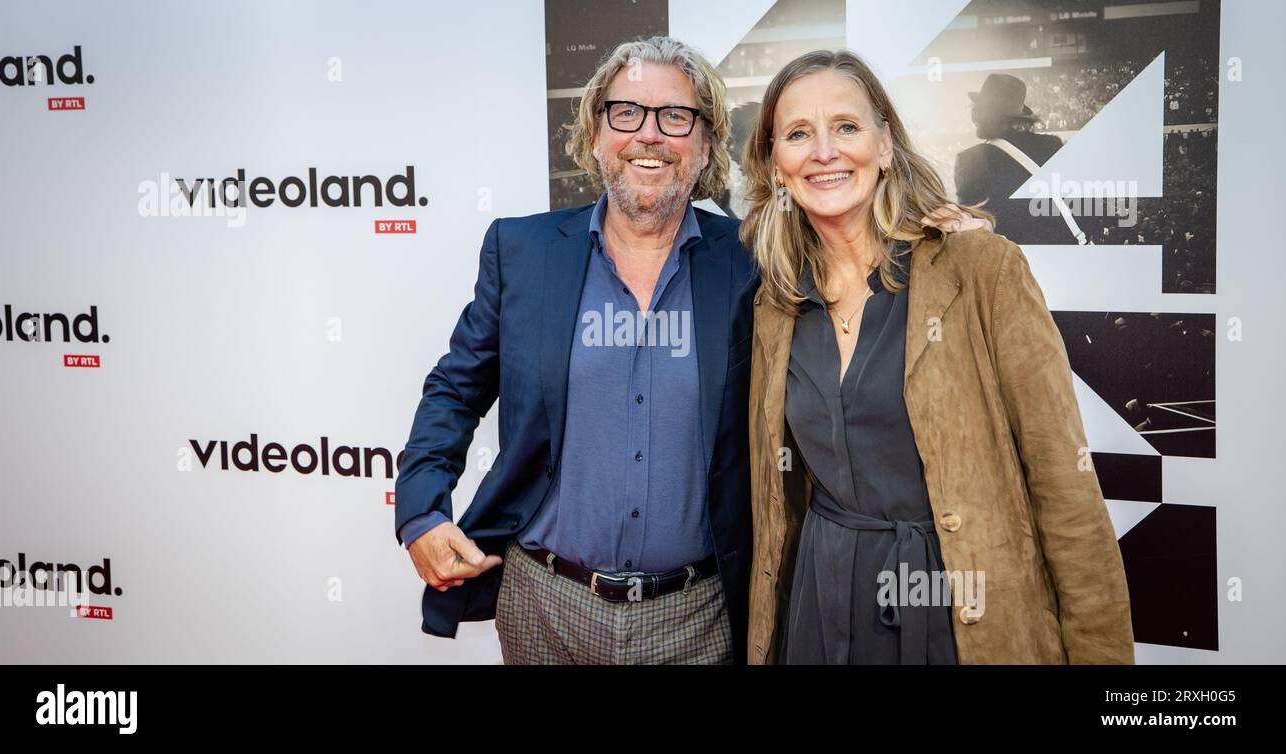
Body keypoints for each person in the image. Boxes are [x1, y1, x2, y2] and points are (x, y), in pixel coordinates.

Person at [397, 37, 985, 665]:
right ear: (596, 134)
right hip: (544, 603)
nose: (649, 135)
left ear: (705, 145)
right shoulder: (521, 252)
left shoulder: (757, 260)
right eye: (626, 112)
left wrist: (931, 241)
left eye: (676, 117)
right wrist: (420, 513)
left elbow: (853, 245)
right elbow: (454, 390)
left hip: (700, 617)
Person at [740, 50, 1134, 664]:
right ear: (776, 164)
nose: (824, 151)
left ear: (886, 144)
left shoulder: (980, 269)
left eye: (846, 126)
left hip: (961, 613)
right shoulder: (775, 302)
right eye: (798, 134)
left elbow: (1066, 489)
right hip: (820, 610)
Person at [954, 73, 1075, 244]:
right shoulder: (1052, 145)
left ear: (981, 116)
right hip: (1059, 254)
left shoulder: (970, 160)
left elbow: (972, 228)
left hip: (1010, 263)